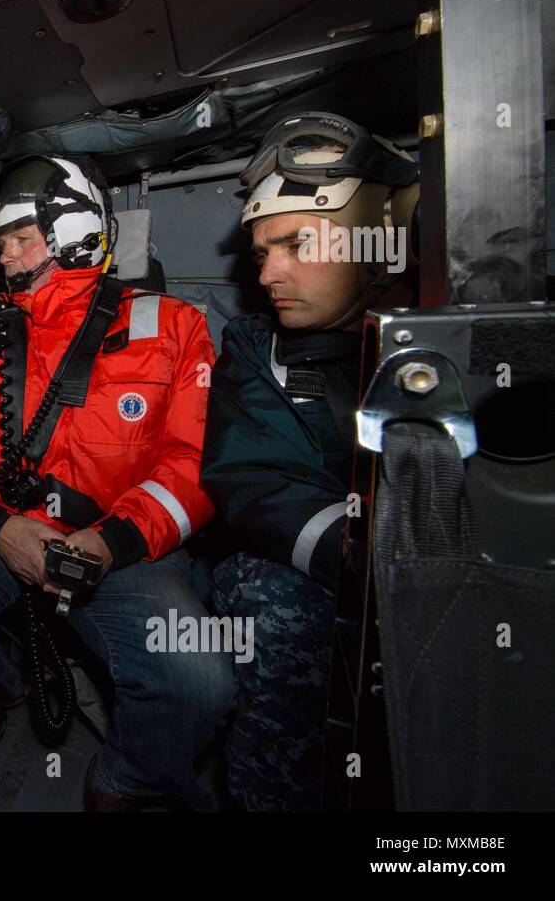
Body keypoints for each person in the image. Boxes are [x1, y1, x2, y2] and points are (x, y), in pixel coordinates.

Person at [0, 153, 234, 812]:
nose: (7, 258)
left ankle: (126, 778)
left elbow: (193, 464)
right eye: (0, 244)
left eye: (21, 239)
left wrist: (112, 543)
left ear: (76, 233)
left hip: (119, 538)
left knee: (199, 681)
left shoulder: (175, 327)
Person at [200, 112, 419, 810]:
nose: (269, 273)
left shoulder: (450, 331)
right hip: (325, 571)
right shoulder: (254, 349)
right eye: (262, 252)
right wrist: (370, 557)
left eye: (296, 243)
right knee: (276, 608)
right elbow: (254, 479)